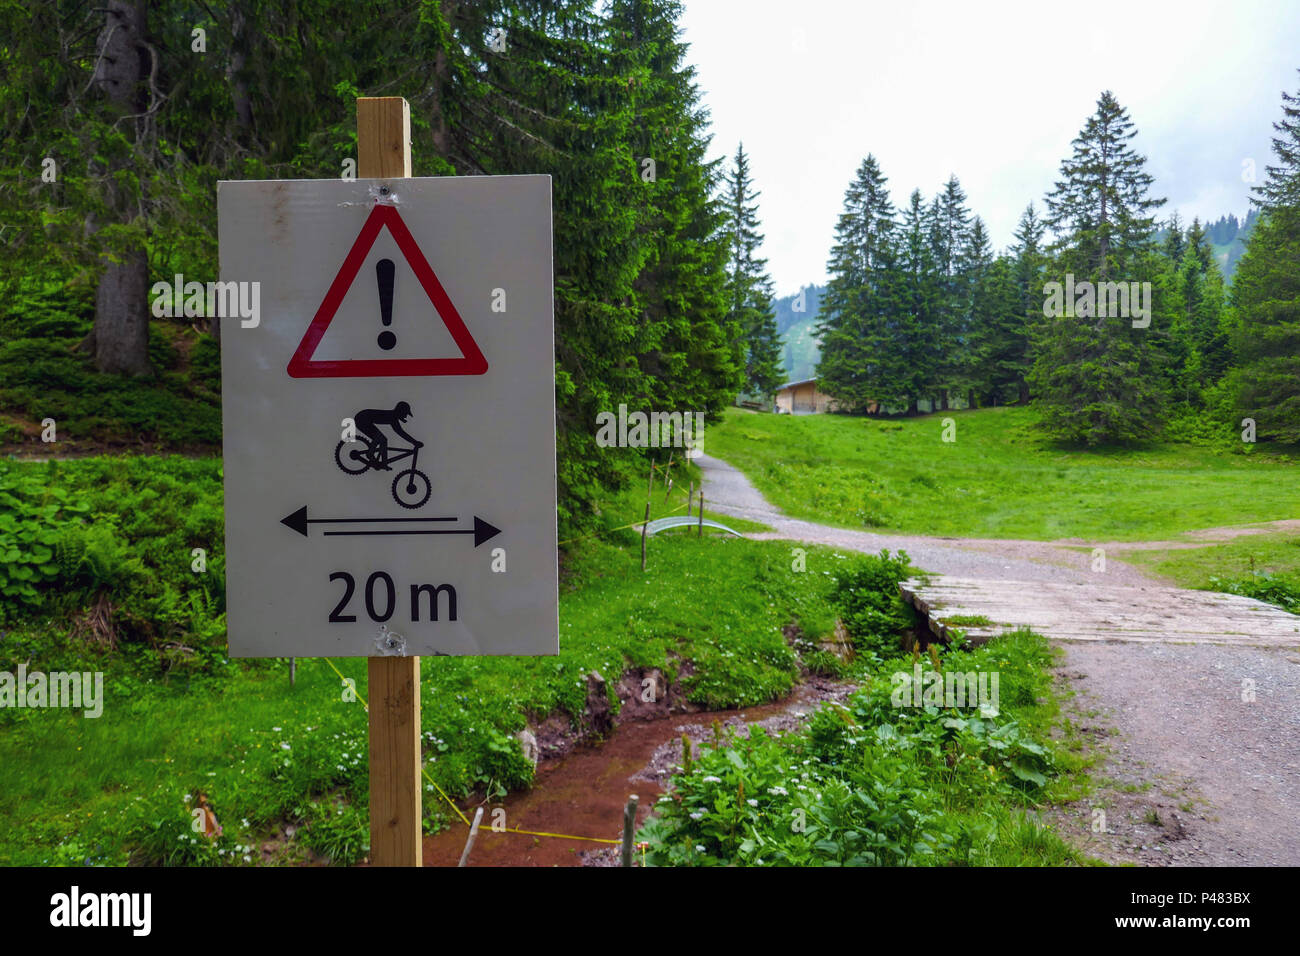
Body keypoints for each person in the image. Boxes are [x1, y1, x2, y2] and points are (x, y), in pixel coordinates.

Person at [352, 401, 421, 470]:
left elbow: (400, 431)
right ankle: (371, 454)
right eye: (405, 414)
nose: (405, 416)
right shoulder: (392, 417)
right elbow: (401, 433)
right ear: (400, 411)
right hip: (362, 418)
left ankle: (381, 462)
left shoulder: (393, 416)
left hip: (362, 418)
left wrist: (414, 442)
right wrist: (414, 442)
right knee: (382, 439)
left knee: (382, 439)